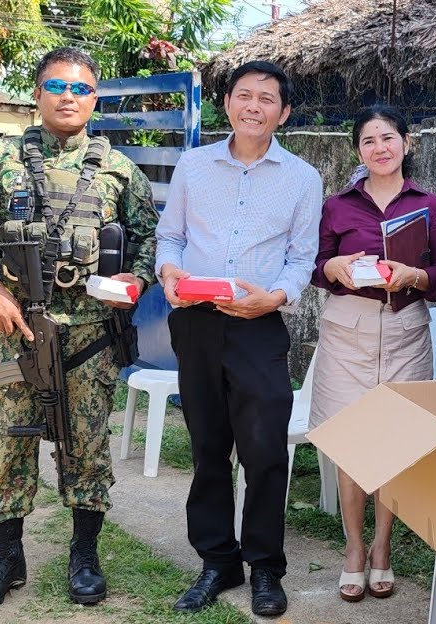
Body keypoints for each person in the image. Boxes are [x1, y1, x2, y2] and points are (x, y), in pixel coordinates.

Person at [0, 47, 158, 611]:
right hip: (17, 330)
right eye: (57, 86)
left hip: (90, 333)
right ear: (38, 92)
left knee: (86, 446)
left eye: (81, 89)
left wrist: (134, 283)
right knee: (9, 445)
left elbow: (148, 239)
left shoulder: (120, 170)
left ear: (95, 99)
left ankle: (84, 554)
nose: (69, 97)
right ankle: (6, 558)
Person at [155, 60, 322, 617]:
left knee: (265, 452)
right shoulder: (193, 165)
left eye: (267, 99)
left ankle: (265, 569)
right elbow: (170, 237)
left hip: (258, 326)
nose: (254, 106)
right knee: (207, 449)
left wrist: (273, 298)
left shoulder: (301, 177)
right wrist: (169, 275)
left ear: (284, 112)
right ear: (226, 103)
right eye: (244, 95)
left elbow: (302, 257)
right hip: (197, 323)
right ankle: (217, 562)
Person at [310, 104, 436, 604]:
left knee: (392, 442)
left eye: (389, 137)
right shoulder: (338, 205)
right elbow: (315, 266)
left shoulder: (429, 204)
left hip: (405, 327)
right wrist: (335, 267)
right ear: (358, 150)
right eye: (369, 140)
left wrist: (416, 276)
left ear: (406, 143)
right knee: (352, 442)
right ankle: (353, 548)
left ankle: (382, 547)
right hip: (347, 327)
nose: (380, 148)